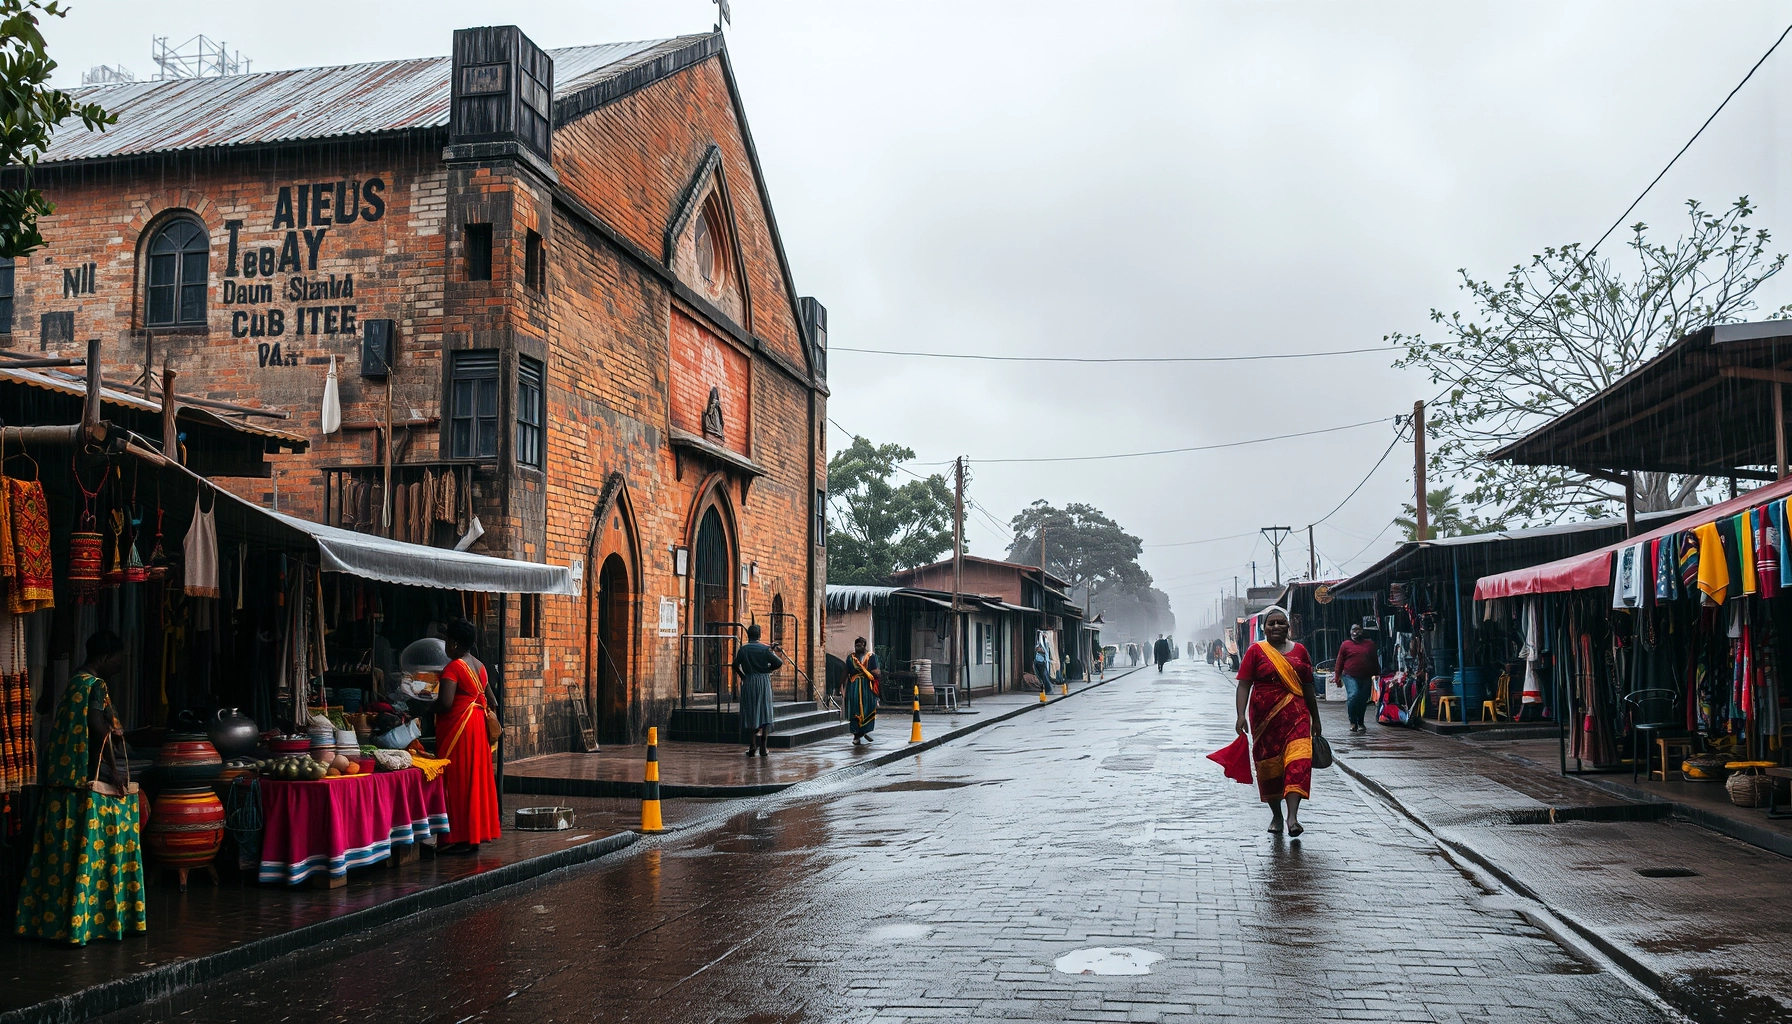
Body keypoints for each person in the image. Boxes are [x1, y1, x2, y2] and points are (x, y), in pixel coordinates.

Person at [14, 630, 147, 945]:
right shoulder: (97, 686)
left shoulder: (74, 681)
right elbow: (98, 728)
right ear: (104, 657)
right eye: (118, 659)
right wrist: (114, 770)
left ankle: (54, 923)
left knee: (63, 855)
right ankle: (90, 923)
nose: (120, 664)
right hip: (86, 784)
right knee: (92, 855)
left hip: (62, 782)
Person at [1234, 607, 1319, 837]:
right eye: (1271, 624)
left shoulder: (1300, 651)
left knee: (1297, 763)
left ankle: (1292, 817)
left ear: (1288, 627)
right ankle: (1277, 815)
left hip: (1297, 717)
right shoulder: (1256, 651)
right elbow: (1244, 684)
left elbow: (1309, 687)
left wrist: (1316, 719)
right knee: (1270, 769)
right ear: (1264, 628)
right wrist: (1240, 715)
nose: (1276, 627)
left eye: (1281, 623)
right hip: (1265, 721)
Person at [433, 618, 502, 855]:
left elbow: (445, 703)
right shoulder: (480, 666)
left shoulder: (453, 667)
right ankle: (472, 835)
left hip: (459, 729)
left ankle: (458, 836)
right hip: (477, 727)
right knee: (475, 779)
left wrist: (420, 706)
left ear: (453, 643)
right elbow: (491, 700)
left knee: (456, 779)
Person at [733, 623, 783, 756]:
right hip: (763, 681)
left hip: (749, 681)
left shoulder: (743, 649)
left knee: (751, 711)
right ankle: (763, 746)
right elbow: (778, 662)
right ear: (759, 635)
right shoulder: (764, 649)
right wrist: (768, 670)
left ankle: (752, 745)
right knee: (765, 711)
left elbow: (735, 665)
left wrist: (743, 676)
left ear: (748, 635)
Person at [1334, 623, 1381, 733]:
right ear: (1350, 632)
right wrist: (1337, 677)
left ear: (1362, 631)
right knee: (1354, 695)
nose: (1355, 632)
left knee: (1363, 699)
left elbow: (1374, 660)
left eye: (1358, 629)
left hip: (1366, 676)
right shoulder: (1345, 645)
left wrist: (1378, 674)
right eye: (1353, 629)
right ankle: (1352, 722)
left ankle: (1360, 722)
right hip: (1349, 675)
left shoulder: (1370, 645)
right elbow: (1339, 661)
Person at [844, 637, 879, 746]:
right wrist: (841, 687)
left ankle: (863, 732)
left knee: (868, 709)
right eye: (856, 645)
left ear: (864, 645)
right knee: (855, 710)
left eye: (860, 645)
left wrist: (873, 674)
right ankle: (856, 735)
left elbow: (877, 672)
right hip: (854, 687)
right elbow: (846, 672)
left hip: (867, 687)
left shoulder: (872, 657)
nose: (857, 647)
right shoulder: (850, 658)